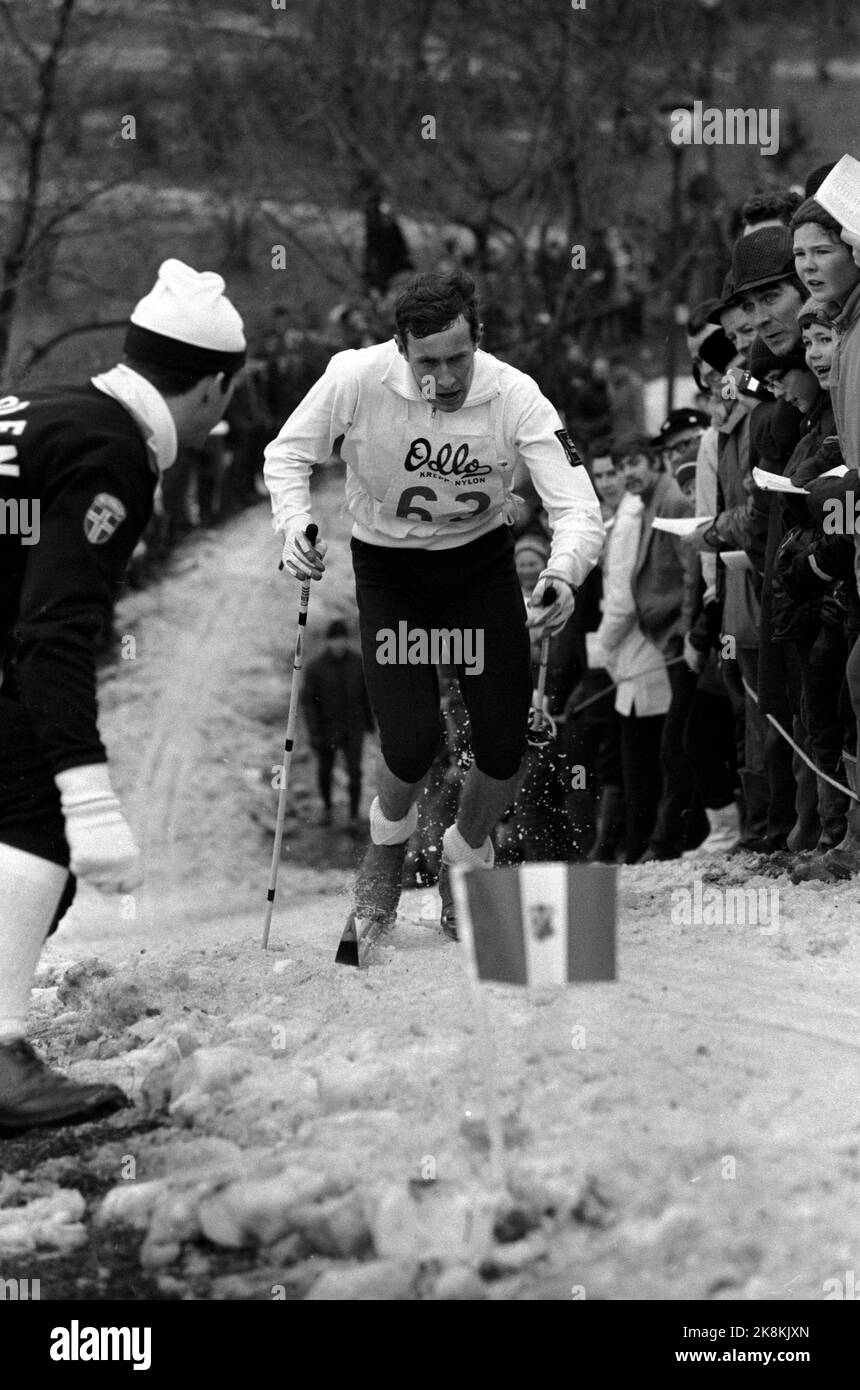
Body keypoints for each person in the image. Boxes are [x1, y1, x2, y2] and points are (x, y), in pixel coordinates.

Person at [264, 269, 604, 939]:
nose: (445, 377)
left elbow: (579, 505)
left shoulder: (515, 396)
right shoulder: (356, 379)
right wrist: (295, 527)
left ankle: (465, 852)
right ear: (400, 350)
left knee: (506, 744)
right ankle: (387, 848)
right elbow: (286, 455)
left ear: (479, 338)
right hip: (392, 573)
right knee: (413, 741)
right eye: (428, 362)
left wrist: (563, 572)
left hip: (477, 568)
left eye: (459, 357)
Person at [0, 259, 245, 1132]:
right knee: (35, 821)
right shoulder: (113, 452)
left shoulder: (53, 407)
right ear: (214, 386)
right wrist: (86, 791)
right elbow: (54, 634)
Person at [301, 619, 374, 829]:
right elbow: (309, 703)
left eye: (342, 639)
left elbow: (366, 695)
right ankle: (327, 809)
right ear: (328, 641)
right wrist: (314, 731)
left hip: (353, 728)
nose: (339, 644)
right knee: (325, 771)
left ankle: (353, 815)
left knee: (355, 772)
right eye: (335, 640)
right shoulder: (315, 668)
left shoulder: (358, 663)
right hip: (326, 730)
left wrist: (370, 724)